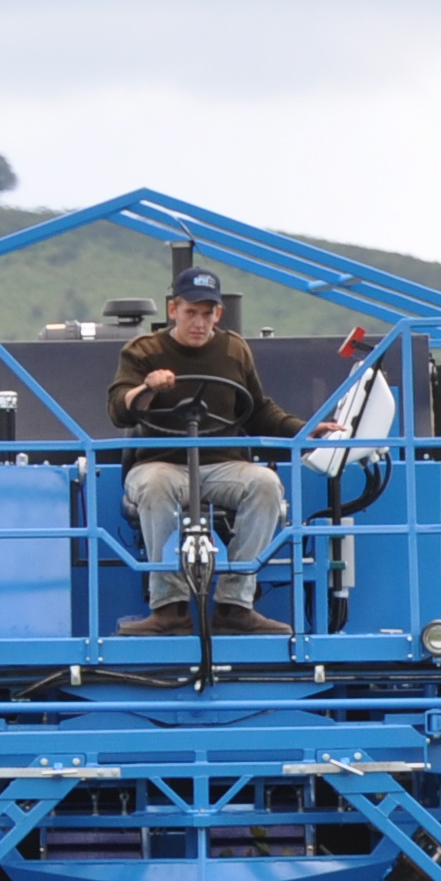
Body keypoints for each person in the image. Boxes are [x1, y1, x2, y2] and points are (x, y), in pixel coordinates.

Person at [106, 258, 300, 635]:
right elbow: (118, 409)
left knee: (266, 484)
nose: (199, 322)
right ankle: (169, 608)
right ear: (173, 310)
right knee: (156, 485)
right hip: (162, 463)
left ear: (218, 314)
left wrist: (307, 431)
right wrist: (147, 389)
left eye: (207, 313)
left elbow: (259, 410)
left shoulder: (234, 350)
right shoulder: (143, 350)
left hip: (221, 466)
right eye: (191, 312)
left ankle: (234, 606)